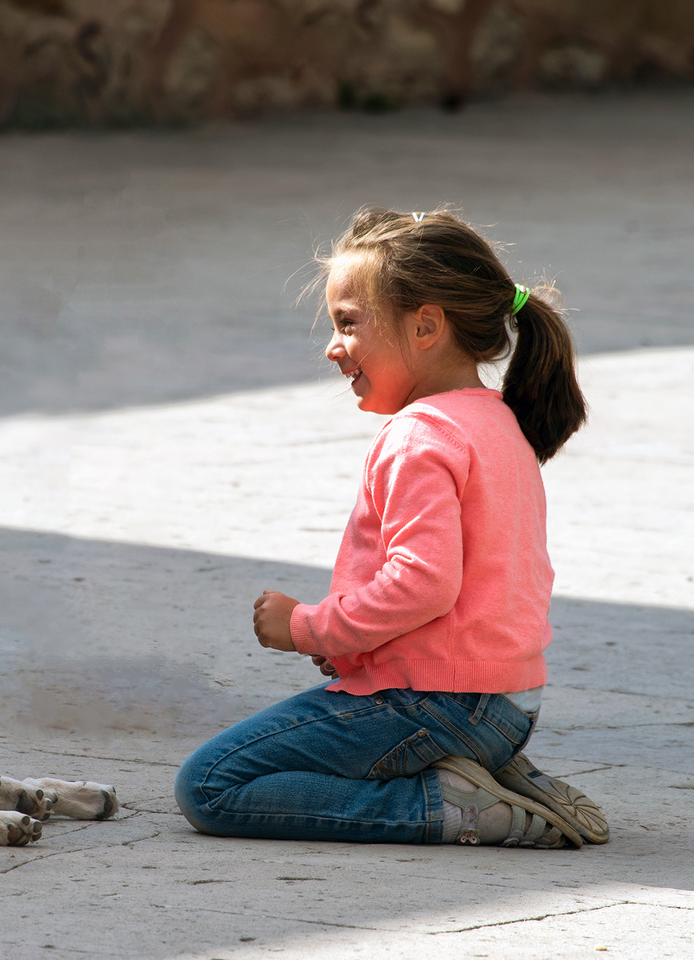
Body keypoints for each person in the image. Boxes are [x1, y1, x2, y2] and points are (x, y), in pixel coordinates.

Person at [174, 208, 609, 849]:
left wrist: (308, 627)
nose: (333, 346)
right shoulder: (498, 423)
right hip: (510, 705)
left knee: (211, 784)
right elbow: (472, 594)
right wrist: (357, 645)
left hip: (437, 702)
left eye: (348, 322)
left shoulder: (417, 434)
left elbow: (424, 585)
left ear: (425, 324)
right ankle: (490, 773)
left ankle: (450, 804)